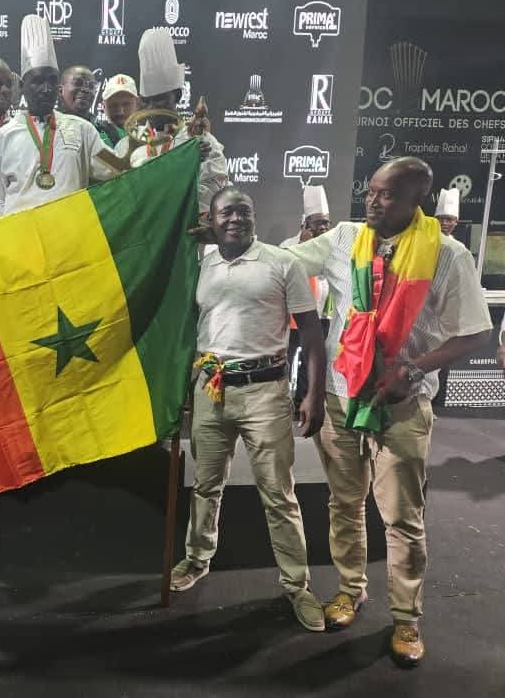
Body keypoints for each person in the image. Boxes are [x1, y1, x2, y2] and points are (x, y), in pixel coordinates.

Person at [285, 156, 493, 666]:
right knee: (343, 503)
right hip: (339, 392)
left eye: (387, 195)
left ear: (414, 201)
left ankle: (406, 617)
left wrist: (416, 367)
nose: (373, 201)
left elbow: (478, 330)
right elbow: (284, 263)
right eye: (371, 192)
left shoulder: (447, 254)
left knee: (402, 517)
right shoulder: (343, 239)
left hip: (402, 403)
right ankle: (350, 589)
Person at [169, 186, 327, 632]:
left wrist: (312, 394)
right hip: (211, 387)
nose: (236, 218)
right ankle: (197, 558)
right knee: (205, 485)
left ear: (255, 217)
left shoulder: (282, 262)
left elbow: (312, 336)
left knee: (279, 493)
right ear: (212, 220)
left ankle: (298, 585)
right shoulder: (201, 264)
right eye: (226, 213)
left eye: (243, 211)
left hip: (266, 391)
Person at [0, 14, 113, 219]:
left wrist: (144, 154)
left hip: (69, 237)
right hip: (20, 239)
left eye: (52, 81)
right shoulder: (4, 135)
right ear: (22, 86)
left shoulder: (83, 130)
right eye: (38, 81)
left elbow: (117, 171)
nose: (46, 89)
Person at [114, 28, 228, 211]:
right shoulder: (126, 146)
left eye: (159, 99)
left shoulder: (200, 141)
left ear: (177, 95)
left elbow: (213, 198)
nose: (152, 109)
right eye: (146, 101)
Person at [281, 185, 333, 410]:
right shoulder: (290, 246)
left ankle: (314, 397)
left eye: (326, 222)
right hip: (297, 318)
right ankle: (296, 398)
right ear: (306, 224)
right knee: (296, 361)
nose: (323, 227)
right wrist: (304, 245)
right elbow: (281, 270)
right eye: (318, 222)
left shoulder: (334, 243)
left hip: (325, 314)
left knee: (317, 359)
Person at [97, 73, 138, 148]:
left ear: (137, 103)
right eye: (113, 105)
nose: (120, 112)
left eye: (126, 104)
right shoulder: (95, 138)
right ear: (103, 107)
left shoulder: (149, 137)